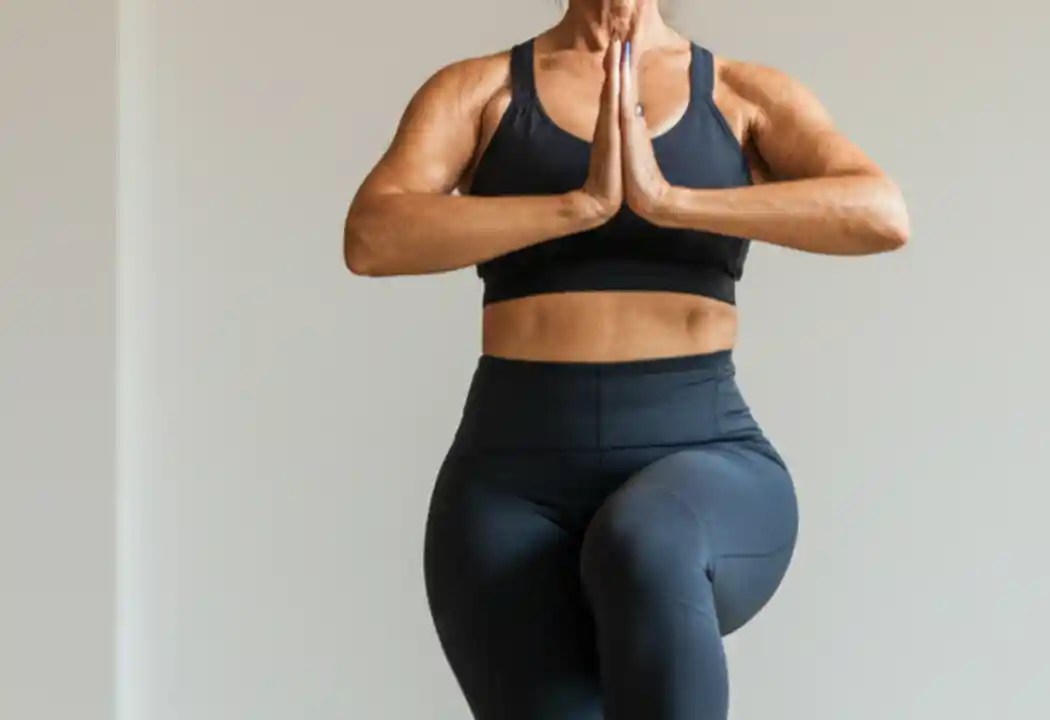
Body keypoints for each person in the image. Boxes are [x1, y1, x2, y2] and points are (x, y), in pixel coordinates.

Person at [343, 1, 909, 717]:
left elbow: (880, 213)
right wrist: (579, 206)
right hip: (509, 487)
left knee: (646, 539)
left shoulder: (742, 92)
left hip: (702, 456)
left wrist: (668, 200)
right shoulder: (481, 90)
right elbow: (373, 235)